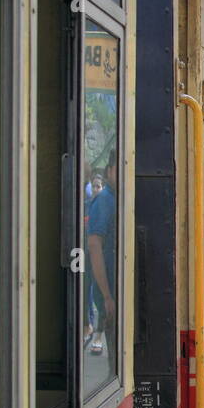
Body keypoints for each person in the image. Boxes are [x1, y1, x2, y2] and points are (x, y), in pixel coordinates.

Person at [87, 151, 117, 358]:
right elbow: (94, 246)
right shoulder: (105, 200)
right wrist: (107, 296)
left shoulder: (117, 198)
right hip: (110, 289)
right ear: (109, 171)